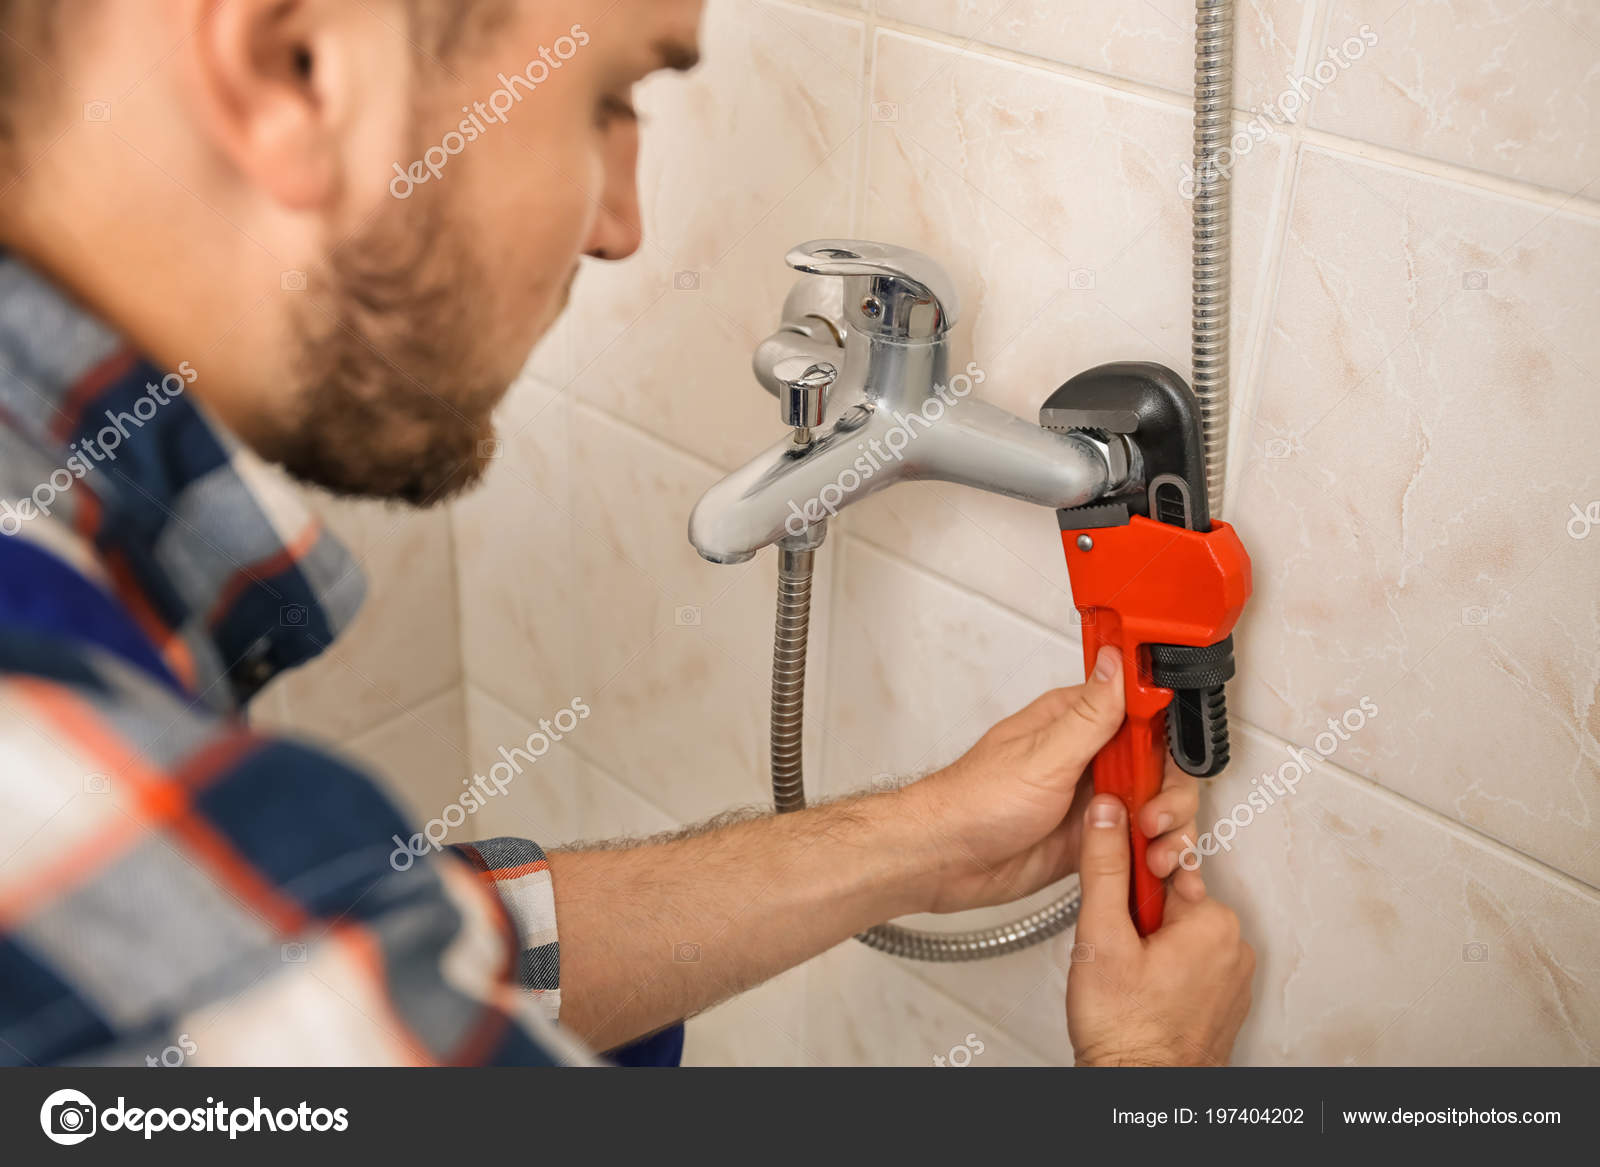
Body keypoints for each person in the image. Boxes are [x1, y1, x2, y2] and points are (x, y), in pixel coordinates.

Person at [0, 0, 1254, 1067]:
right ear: (295, 70)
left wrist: (915, 843)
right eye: (607, 98)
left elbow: (350, 947)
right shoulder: (61, 776)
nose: (619, 224)